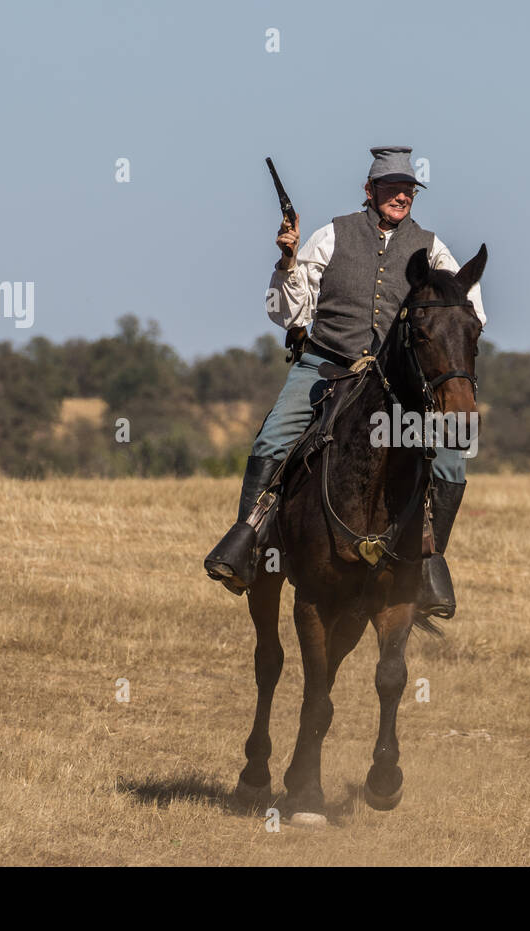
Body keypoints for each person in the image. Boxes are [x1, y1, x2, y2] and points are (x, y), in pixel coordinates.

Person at [205, 146, 486, 619]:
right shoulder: (331, 236)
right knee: (274, 437)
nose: (401, 197)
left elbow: (468, 310)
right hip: (326, 367)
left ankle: (430, 563)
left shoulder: (434, 247)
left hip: (396, 383)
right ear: (369, 190)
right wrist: (288, 261)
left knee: (453, 459)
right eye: (392, 189)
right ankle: (246, 544)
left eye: (408, 190)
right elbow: (287, 313)